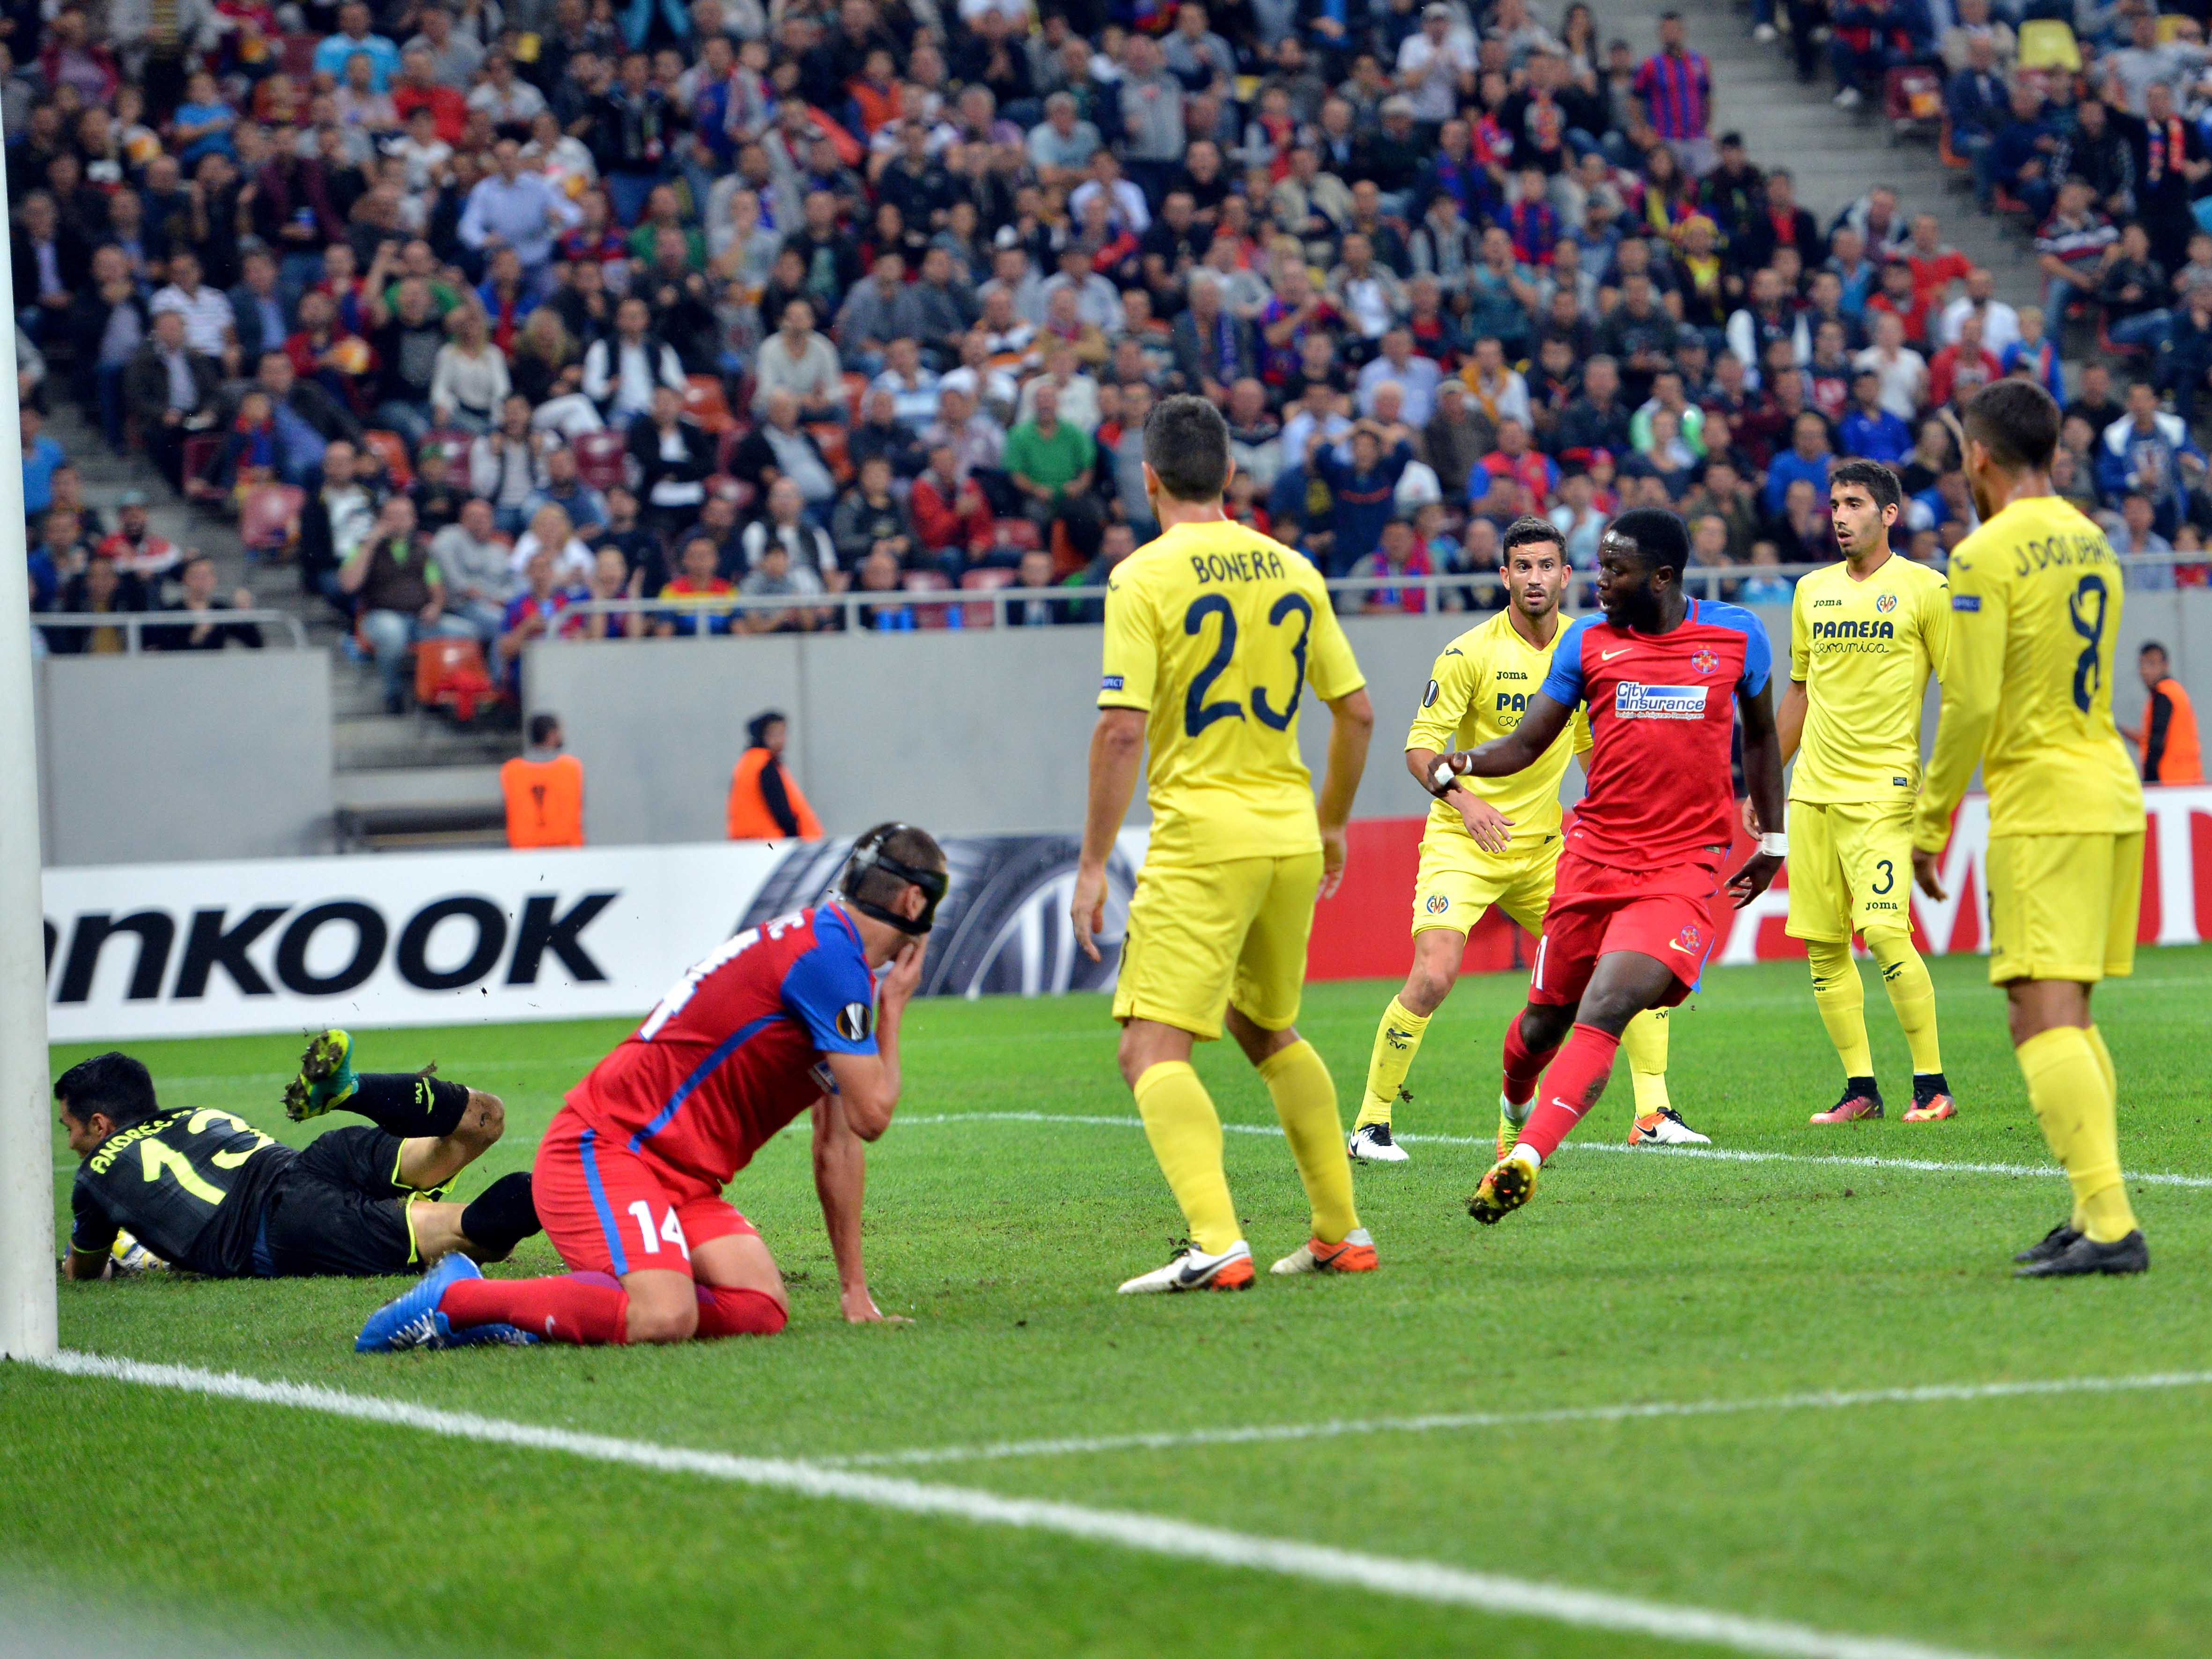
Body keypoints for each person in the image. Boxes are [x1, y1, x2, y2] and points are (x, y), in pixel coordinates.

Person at [356, 825, 945, 1349]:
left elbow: (837, 1144)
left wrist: (854, 1294)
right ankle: (459, 1298)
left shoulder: (826, 952)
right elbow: (871, 1116)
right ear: (915, 901)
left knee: (759, 1307)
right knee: (665, 1315)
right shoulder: (832, 964)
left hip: (678, 1181)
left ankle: (552, 1316)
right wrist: (893, 1005)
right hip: (603, 1150)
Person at [1070, 394, 1379, 1295]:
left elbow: (1121, 731)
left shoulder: (1141, 576)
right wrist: (1330, 820)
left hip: (1204, 838)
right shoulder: (1293, 569)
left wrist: (1091, 864)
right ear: (1231, 476)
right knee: (1264, 1024)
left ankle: (1214, 1239)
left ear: (1149, 478)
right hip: (1288, 834)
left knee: (1147, 1048)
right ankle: (1337, 1230)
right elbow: (1355, 710)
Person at [1440, 508, 1786, 1224]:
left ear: (1661, 577)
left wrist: (1774, 838)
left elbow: (1760, 736)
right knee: (1541, 1026)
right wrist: (1463, 762)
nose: (1597, 581)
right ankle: (1514, 1103)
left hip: (1682, 868)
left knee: (1606, 1008)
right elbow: (1530, 740)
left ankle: (1524, 1159)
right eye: (1599, 566)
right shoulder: (1589, 645)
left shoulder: (1737, 635)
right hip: (1593, 862)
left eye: (1614, 569)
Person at [1349, 517, 1690, 1168]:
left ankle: (1652, 1113)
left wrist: (1626, 812)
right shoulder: (1467, 652)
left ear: (1567, 576)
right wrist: (1465, 798)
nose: (1535, 578)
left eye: (1546, 567)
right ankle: (1371, 1124)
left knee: (1634, 962)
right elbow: (1420, 748)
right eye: (1522, 567)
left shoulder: (1589, 646)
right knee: (1435, 974)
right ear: (1505, 576)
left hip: (1545, 852)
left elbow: (1593, 747)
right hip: (1462, 843)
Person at [1913, 382, 2151, 1278]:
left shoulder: (1982, 551)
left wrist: (1928, 820)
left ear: (1976, 455)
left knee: (2035, 1013)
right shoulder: (2093, 539)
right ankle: (2092, 1206)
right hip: (2104, 786)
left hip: (2042, 801)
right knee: (2067, 1011)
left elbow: (1971, 700)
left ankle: (2110, 1224)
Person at [1762, 461, 1959, 1127]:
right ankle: (1861, 1088)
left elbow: (1960, 693)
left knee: (1881, 928)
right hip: (1812, 790)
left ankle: (1931, 1083)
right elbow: (1798, 692)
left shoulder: (1926, 589)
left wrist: (1943, 788)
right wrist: (1762, 782)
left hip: (1884, 790)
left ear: (1889, 514)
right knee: (1822, 943)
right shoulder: (1811, 590)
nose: (1840, 515)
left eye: (1854, 503)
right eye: (1835, 503)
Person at [60, 1035, 537, 1291]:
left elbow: (84, 1272)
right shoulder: (199, 1115)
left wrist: (124, 1256)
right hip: (316, 1160)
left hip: (289, 1225)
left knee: (473, 1235)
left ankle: (564, 1189)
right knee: (483, 1119)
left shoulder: (94, 1177)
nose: (70, 1145)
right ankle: (352, 1091)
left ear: (100, 1125)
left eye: (70, 1129)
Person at [727, 709, 824, 841]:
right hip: (772, 844)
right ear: (762, 736)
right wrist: (795, 838)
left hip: (750, 843)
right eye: (775, 734)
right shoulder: (765, 765)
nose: (781, 740)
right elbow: (781, 810)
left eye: (783, 734)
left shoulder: (747, 763)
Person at [146, 553, 265, 652]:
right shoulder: (172, 613)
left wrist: (245, 614)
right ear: (185, 579)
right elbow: (165, 652)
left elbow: (256, 644)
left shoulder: (221, 610)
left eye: (207, 576)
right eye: (196, 576)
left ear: (214, 580)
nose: (202, 581)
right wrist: (196, 637)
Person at [2121, 642, 2203, 783]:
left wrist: (2150, 780)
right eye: (2142, 665)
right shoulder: (2175, 692)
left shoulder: (2164, 694)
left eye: (2152, 664)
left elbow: (2157, 741)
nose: (2145, 671)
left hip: (2171, 780)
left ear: (2166, 666)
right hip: (2188, 779)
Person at [501, 712, 586, 848]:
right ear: (551, 735)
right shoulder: (572, 768)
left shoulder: (511, 771)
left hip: (524, 850)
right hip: (566, 850)